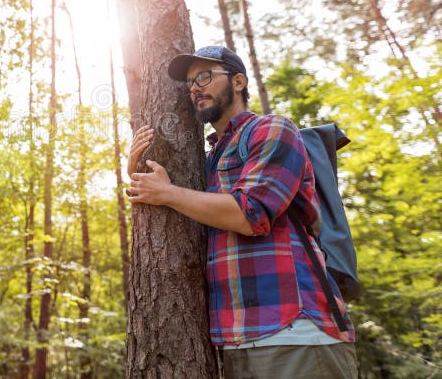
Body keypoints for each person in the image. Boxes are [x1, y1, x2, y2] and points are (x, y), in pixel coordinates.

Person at [126, 45, 357, 378]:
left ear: (237, 81)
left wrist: (168, 193)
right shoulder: (207, 160)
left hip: (297, 334)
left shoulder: (273, 130)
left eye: (205, 76)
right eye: (191, 81)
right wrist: (139, 175)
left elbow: (252, 214)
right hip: (235, 343)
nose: (195, 87)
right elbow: (182, 214)